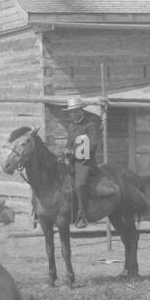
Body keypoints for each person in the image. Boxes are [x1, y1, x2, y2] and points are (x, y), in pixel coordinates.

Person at [64, 97, 103, 228]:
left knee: (80, 184)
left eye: (75, 111)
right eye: (70, 112)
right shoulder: (71, 126)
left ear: (81, 110)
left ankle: (83, 215)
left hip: (85, 162)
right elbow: (69, 144)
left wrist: (74, 153)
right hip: (71, 162)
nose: (72, 114)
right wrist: (65, 151)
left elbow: (93, 146)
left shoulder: (90, 125)